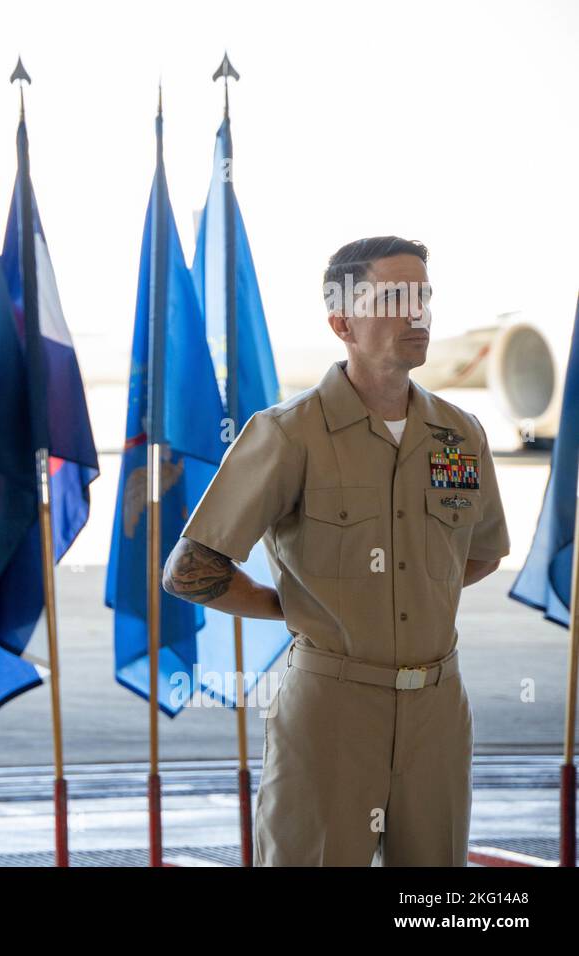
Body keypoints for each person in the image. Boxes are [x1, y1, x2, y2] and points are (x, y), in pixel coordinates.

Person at [162, 236, 510, 866]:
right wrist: (302, 610)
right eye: (396, 298)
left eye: (424, 297)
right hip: (333, 711)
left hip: (438, 710)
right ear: (342, 321)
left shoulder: (458, 433)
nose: (419, 314)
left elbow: (481, 551)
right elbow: (190, 571)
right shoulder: (288, 434)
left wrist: (404, 595)